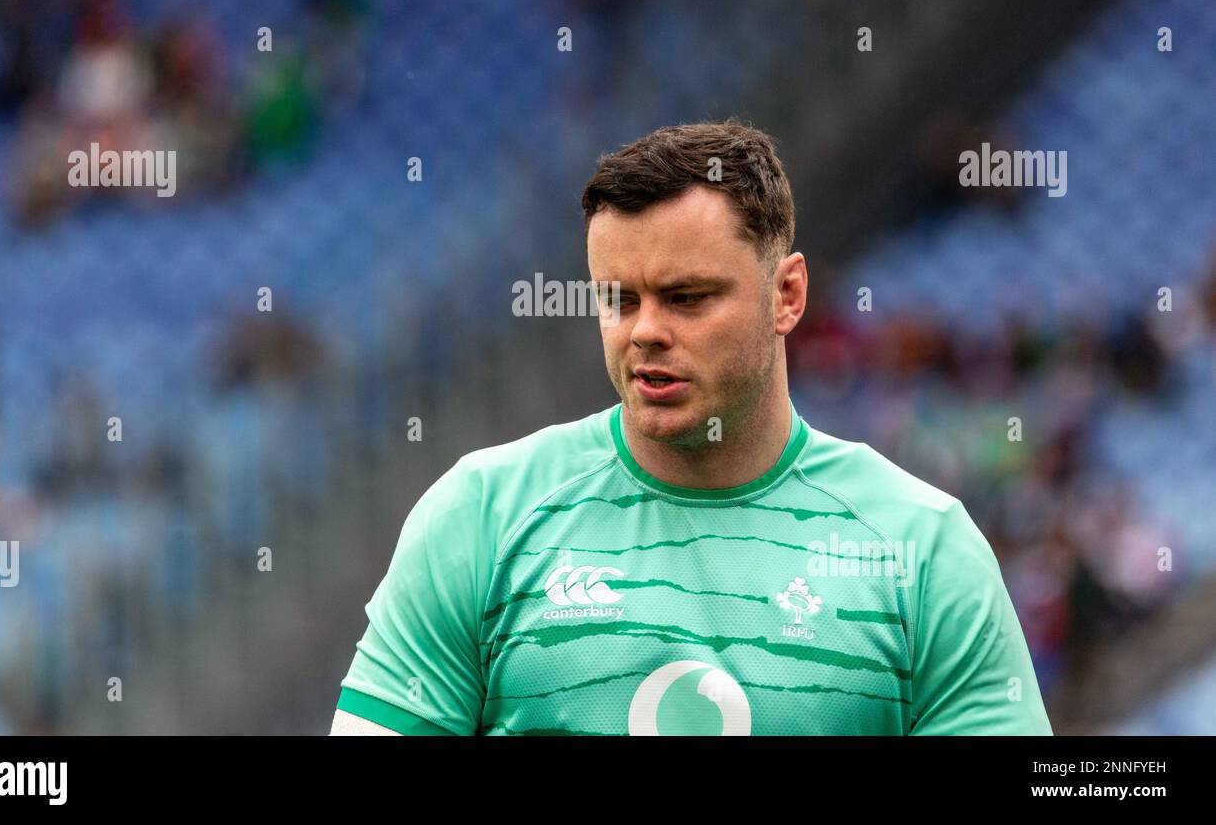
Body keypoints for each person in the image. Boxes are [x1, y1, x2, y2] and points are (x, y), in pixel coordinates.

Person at [331, 119, 1052, 735]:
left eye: (686, 298)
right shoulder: (482, 519)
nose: (644, 331)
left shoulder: (922, 551)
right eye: (617, 300)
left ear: (787, 295)